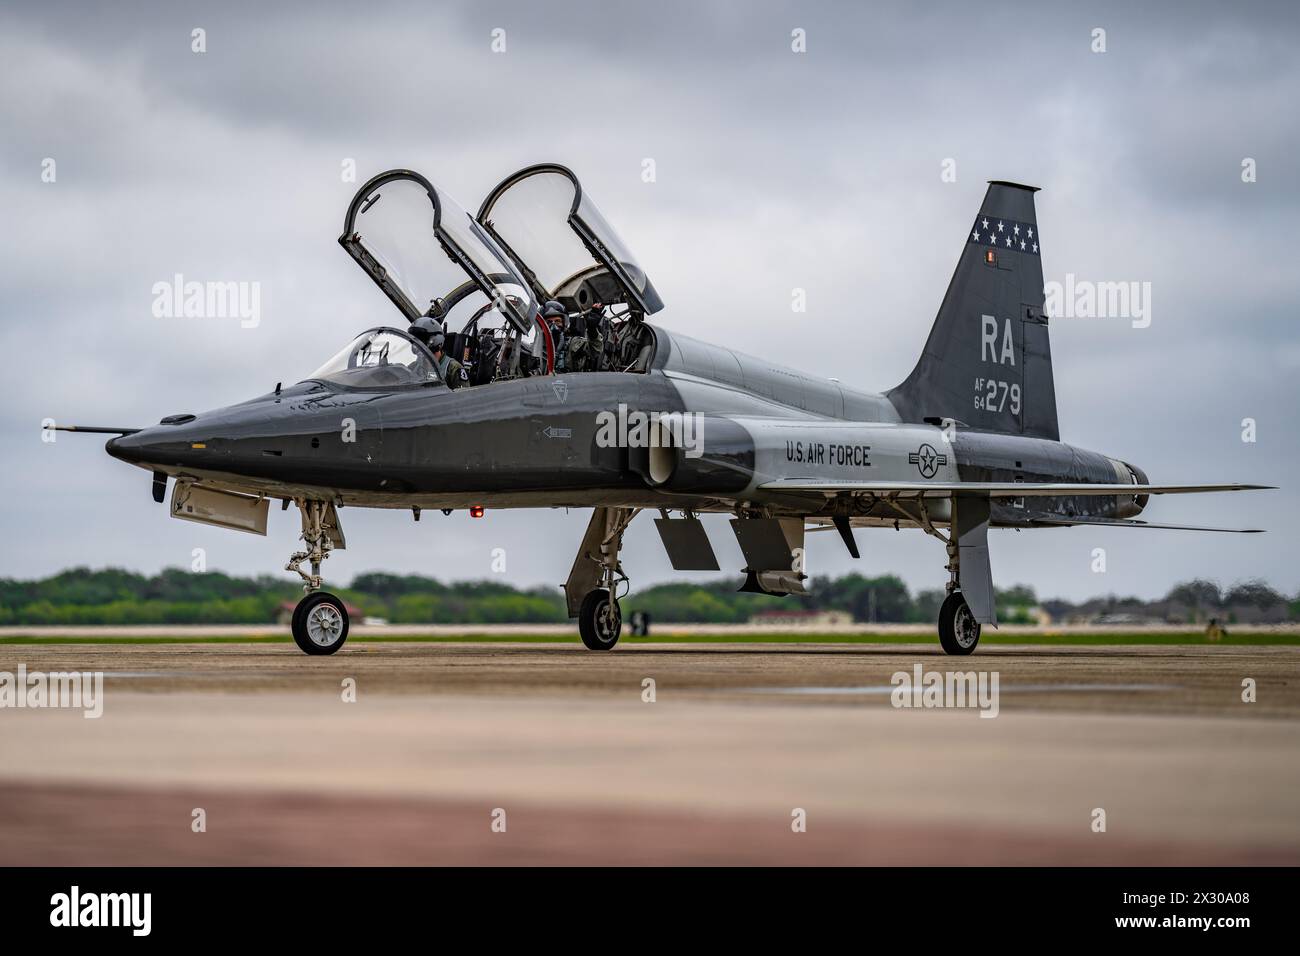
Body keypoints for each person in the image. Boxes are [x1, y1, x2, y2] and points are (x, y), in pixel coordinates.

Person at [541, 300, 567, 372]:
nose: (553, 326)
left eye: (557, 321)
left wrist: (592, 330)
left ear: (565, 323)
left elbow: (593, 349)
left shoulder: (573, 345)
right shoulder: (535, 350)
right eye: (549, 322)